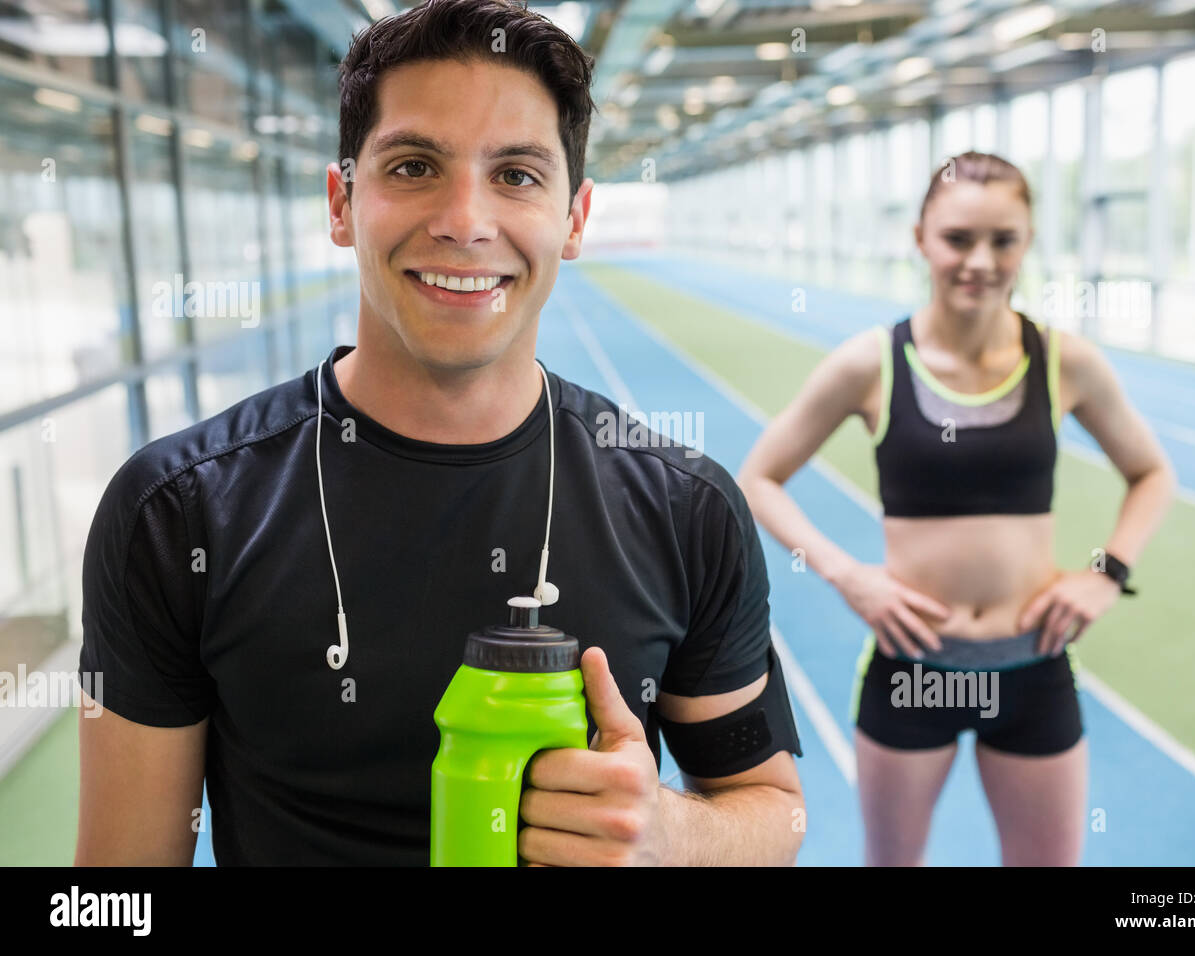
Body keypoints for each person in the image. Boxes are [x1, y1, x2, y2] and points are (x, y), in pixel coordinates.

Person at [75, 0, 802, 867]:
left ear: (575, 219)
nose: (465, 220)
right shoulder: (179, 510)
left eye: (519, 175)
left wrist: (674, 833)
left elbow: (775, 815)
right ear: (343, 202)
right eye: (415, 165)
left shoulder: (688, 508)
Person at [737, 151, 1175, 866]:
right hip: (913, 673)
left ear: (1027, 242)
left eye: (1003, 240)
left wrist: (1105, 573)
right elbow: (760, 476)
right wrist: (851, 576)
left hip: (1033, 669)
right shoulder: (870, 363)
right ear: (920, 239)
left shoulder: (1066, 362)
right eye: (958, 239)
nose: (980, 261)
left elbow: (1151, 472)